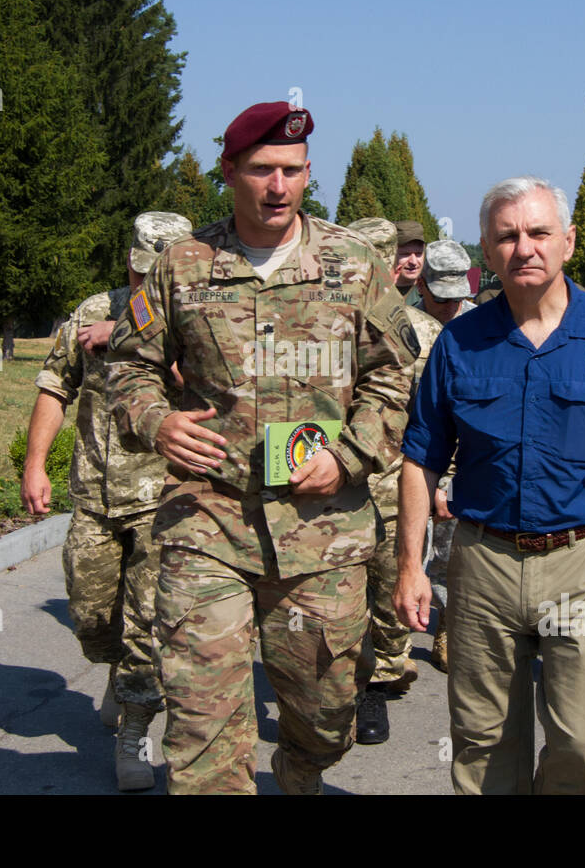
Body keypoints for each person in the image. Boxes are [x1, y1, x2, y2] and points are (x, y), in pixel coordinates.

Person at [106, 101, 418, 794]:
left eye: (292, 171)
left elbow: (394, 378)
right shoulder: (181, 267)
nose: (278, 186)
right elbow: (128, 365)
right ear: (230, 172)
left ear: (308, 174)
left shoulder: (353, 265)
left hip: (324, 533)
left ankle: (300, 768)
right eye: (261, 170)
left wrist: (349, 456)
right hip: (206, 522)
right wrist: (156, 421)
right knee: (202, 725)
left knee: (326, 713)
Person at [394, 176, 585, 794]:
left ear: (568, 242)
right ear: (487, 253)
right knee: (484, 742)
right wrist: (410, 565)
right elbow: (421, 457)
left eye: (539, 232)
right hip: (483, 564)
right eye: (507, 236)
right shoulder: (460, 344)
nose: (525, 248)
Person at [21, 210, 193, 792]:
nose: (149, 283)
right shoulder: (92, 311)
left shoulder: (198, 319)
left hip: (166, 496)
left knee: (148, 621)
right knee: (92, 615)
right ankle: (120, 673)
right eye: (142, 271)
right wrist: (35, 465)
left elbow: (209, 389)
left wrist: (126, 335)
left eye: (160, 274)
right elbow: (54, 387)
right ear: (129, 260)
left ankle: (135, 732)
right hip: (94, 492)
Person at [343, 217, 441, 744]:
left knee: (389, 588)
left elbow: (443, 417)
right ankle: (342, 684)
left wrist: (442, 480)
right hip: (328, 485)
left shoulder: (424, 333)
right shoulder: (320, 320)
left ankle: (377, 684)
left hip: (396, 485)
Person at [413, 239, 478, 672]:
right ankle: (391, 644)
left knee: (452, 555)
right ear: (422, 283)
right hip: (411, 457)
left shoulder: (480, 323)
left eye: (458, 293)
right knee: (408, 552)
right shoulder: (398, 319)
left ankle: (449, 629)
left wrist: (451, 478)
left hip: (464, 460)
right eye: (441, 294)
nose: (450, 303)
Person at [393, 220, 427, 298]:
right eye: (405, 254)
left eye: (418, 253)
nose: (413, 262)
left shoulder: (432, 296)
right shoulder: (375, 294)